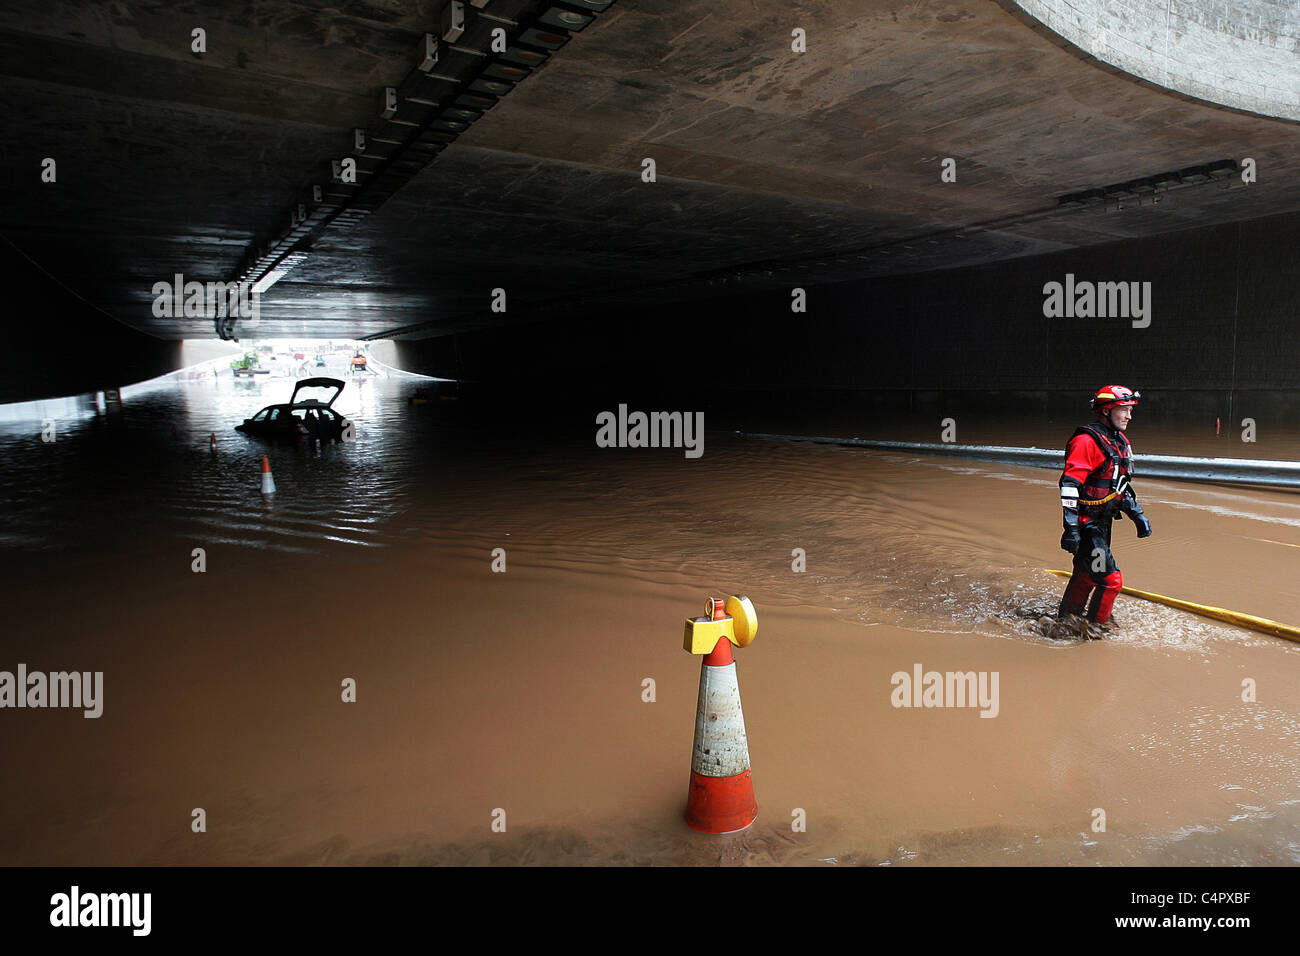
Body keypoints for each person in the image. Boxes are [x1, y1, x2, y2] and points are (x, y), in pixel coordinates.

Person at [1056, 385, 1152, 632]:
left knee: (1087, 574)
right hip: (1087, 525)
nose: (1129, 416)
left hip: (1103, 521)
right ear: (1106, 410)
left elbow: (1118, 484)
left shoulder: (1120, 441)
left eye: (1130, 410)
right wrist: (1071, 529)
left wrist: (1137, 514)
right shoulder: (1086, 441)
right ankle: (1097, 629)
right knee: (1110, 581)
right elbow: (1069, 485)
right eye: (1124, 410)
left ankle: (1067, 620)